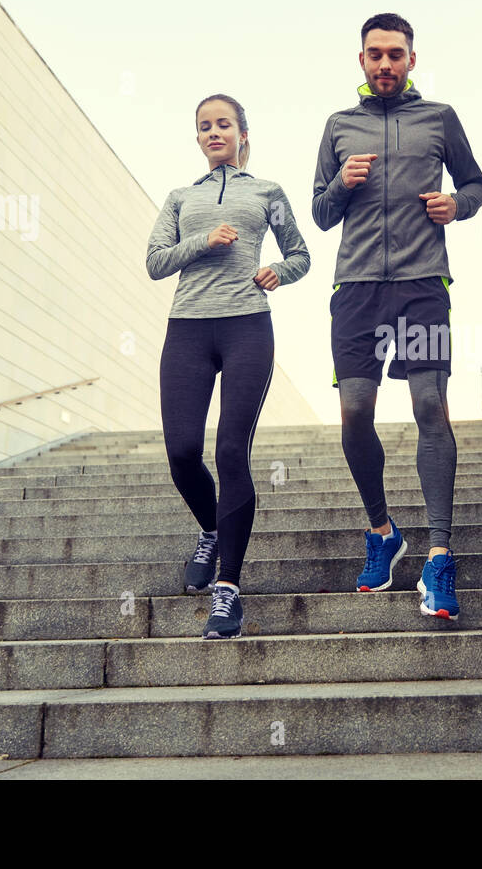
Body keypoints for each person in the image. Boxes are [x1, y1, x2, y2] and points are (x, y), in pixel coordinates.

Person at [312, 13, 482, 621]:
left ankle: (439, 554)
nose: (384, 63)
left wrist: (455, 205)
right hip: (356, 287)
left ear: (412, 59)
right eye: (374, 54)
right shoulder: (339, 126)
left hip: (420, 286)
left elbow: (475, 183)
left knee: (427, 407)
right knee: (356, 410)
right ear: (360, 61)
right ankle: (383, 533)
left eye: (395, 54)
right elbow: (320, 214)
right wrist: (341, 183)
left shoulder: (439, 118)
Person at [146, 93, 311, 639]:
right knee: (182, 453)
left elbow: (300, 254)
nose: (213, 133)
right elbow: (154, 263)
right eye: (204, 127)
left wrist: (278, 274)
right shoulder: (178, 197)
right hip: (188, 328)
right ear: (196, 138)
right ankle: (213, 530)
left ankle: (228, 591)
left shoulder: (267, 192)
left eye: (223, 125)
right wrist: (201, 240)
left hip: (246, 327)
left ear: (242, 133)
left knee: (229, 451)